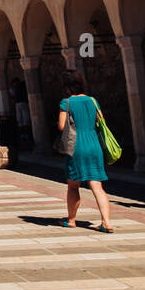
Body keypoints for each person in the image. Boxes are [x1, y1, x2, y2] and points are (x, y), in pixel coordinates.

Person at [56, 71, 113, 232]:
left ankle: (71, 220)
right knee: (97, 185)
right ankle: (106, 222)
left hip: (76, 146)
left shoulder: (66, 103)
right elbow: (100, 120)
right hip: (93, 144)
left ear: (67, 86)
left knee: (73, 185)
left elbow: (61, 126)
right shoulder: (93, 101)